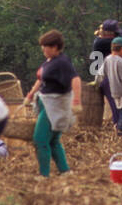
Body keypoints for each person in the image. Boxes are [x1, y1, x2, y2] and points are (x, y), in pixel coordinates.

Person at [25, 29, 82, 176]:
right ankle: (65, 171)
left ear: (55, 47)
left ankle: (44, 175)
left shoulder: (63, 62)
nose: (43, 49)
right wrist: (31, 94)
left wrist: (76, 100)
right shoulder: (49, 61)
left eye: (46, 46)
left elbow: (75, 79)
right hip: (46, 101)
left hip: (56, 104)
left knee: (40, 139)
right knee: (54, 140)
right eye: (42, 46)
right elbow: (40, 78)